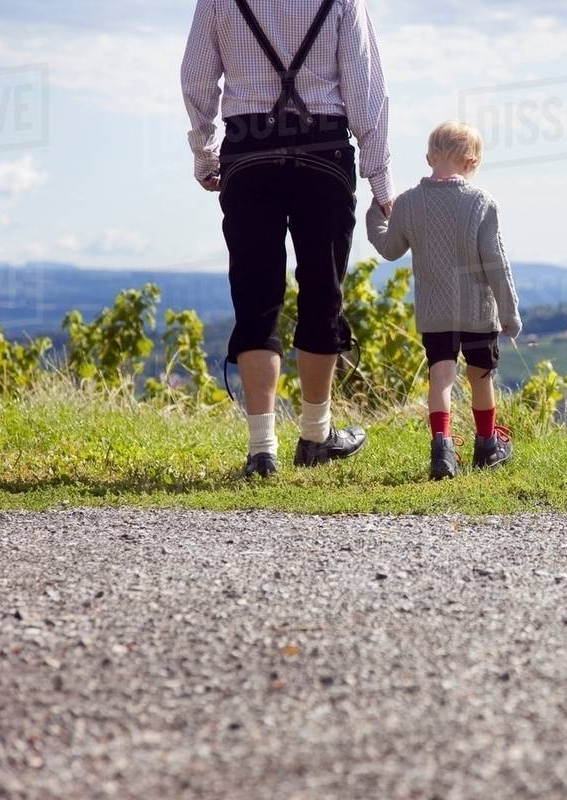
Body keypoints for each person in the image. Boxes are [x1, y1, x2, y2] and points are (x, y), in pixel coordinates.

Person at [181, 0, 394, 478]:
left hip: (248, 151)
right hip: (324, 150)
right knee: (323, 293)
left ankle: (262, 450)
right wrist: (380, 179)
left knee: (256, 299)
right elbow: (365, 86)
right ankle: (316, 435)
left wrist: (204, 152)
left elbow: (196, 73)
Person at [367, 121, 521, 480]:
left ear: (428, 157)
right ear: (472, 162)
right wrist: (510, 315)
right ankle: (487, 444)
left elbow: (389, 248)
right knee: (481, 377)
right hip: (477, 312)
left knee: (441, 378)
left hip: (434, 313)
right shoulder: (481, 203)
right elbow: (496, 265)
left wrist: (377, 212)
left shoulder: (407, 203)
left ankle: (443, 449)